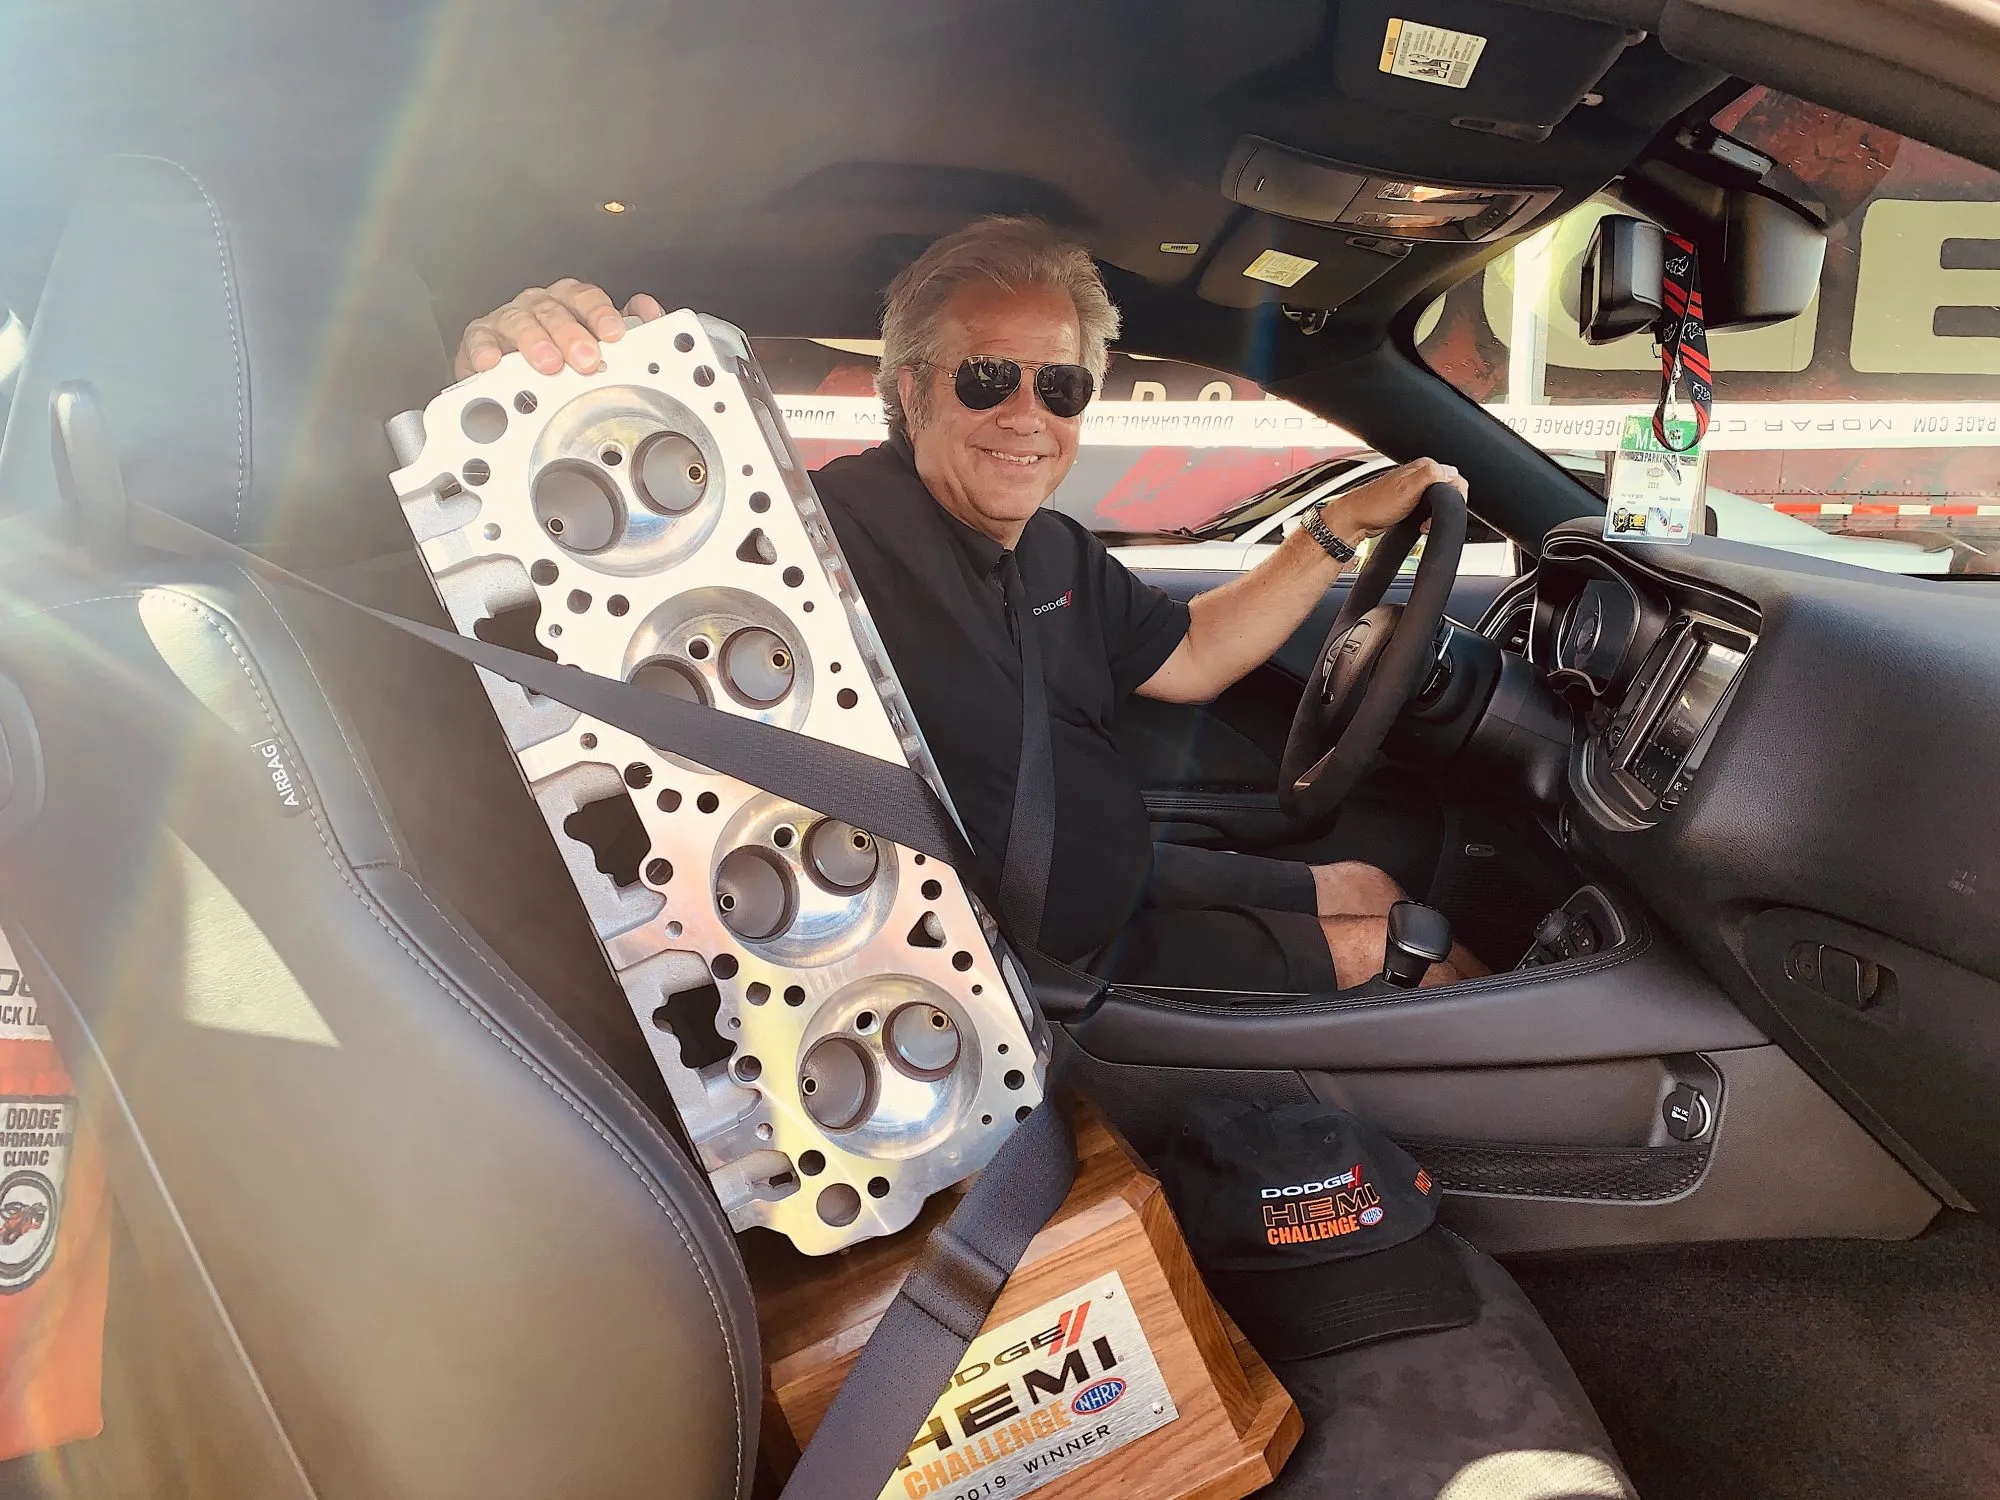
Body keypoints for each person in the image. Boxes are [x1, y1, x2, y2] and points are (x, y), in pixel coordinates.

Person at [453, 217, 1486, 989]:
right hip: (1034, 968)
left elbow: (1195, 653)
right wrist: (521, 391)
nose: (1025, 416)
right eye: (986, 378)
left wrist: (1335, 529)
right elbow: (624, 597)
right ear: (905, 392)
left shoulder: (1055, 552)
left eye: (1061, 385)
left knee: (1369, 885)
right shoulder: (825, 536)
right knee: (1420, 963)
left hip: (1126, 893)